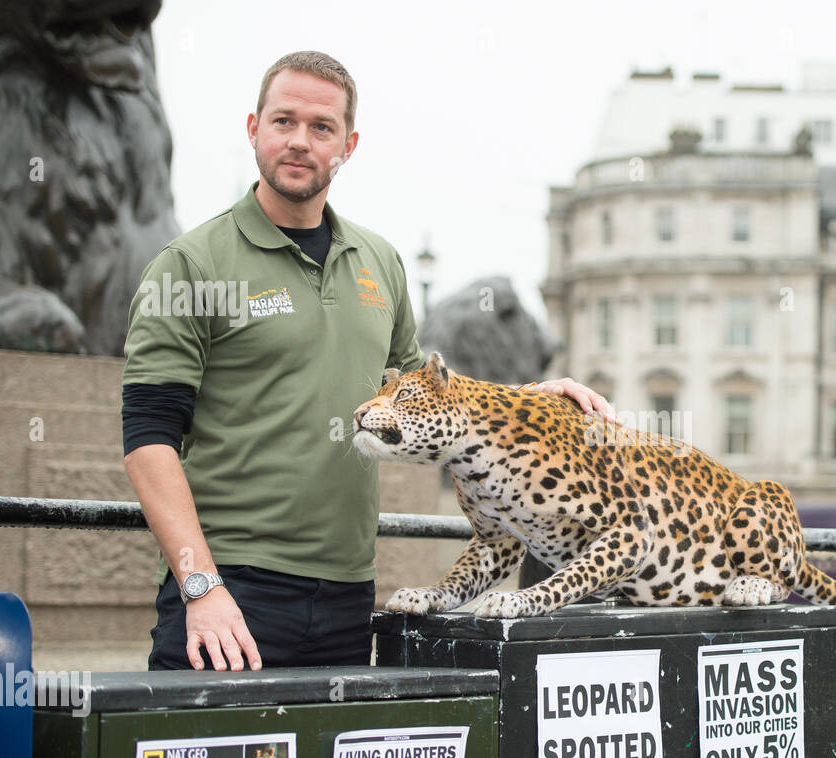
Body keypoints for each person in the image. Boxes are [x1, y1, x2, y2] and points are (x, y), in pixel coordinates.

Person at [122, 51, 612, 673]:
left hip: (348, 591)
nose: (300, 141)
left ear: (347, 144)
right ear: (253, 129)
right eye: (283, 122)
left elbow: (426, 400)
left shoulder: (379, 261)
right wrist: (200, 586)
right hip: (232, 591)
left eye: (321, 127)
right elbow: (147, 440)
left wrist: (532, 397)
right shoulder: (191, 265)